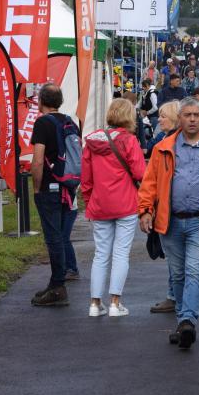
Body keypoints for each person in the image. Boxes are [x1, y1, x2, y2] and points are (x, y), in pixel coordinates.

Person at [138, 98, 199, 349]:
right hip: (170, 222)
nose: (192, 119)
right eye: (187, 115)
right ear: (180, 118)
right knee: (178, 274)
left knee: (194, 271)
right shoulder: (164, 147)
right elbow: (150, 182)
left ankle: (187, 321)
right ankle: (183, 321)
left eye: (196, 115)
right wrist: (145, 211)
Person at [81, 99, 146, 317]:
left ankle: (94, 303)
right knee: (121, 254)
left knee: (100, 254)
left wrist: (89, 202)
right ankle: (115, 304)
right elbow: (140, 173)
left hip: (99, 204)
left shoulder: (92, 141)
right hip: (126, 203)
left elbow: (86, 179)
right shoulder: (129, 140)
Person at [29, 83, 81, 307]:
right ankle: (55, 283)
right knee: (59, 235)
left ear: (41, 101)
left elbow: (38, 160)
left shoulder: (42, 123)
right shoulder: (70, 122)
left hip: (50, 187)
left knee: (53, 238)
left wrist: (36, 188)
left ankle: (58, 287)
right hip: (67, 187)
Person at [147, 100, 181, 313]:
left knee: (175, 258)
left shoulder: (172, 142)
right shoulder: (163, 139)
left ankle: (175, 296)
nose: (159, 119)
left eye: (163, 116)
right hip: (166, 207)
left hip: (172, 208)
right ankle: (176, 296)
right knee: (175, 258)